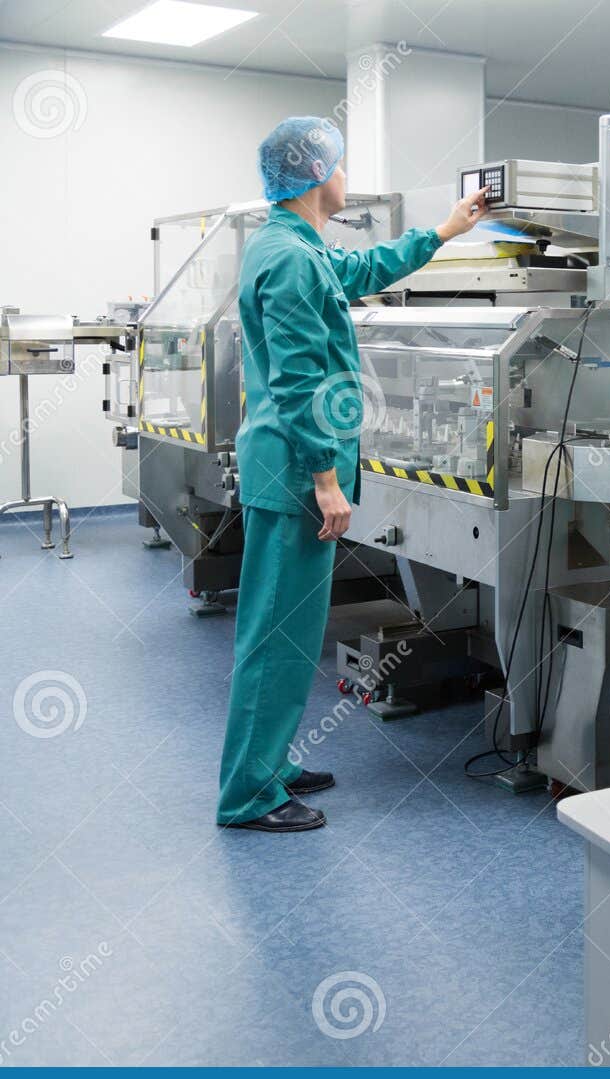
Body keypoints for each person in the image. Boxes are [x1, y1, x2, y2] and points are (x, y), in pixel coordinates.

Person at [216, 116, 489, 832]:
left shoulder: (293, 247)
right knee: (276, 638)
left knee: (289, 633)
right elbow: (304, 377)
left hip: (290, 468)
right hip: (295, 471)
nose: (346, 177)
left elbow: (362, 272)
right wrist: (325, 479)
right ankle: (249, 793)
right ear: (314, 176)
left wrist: (445, 230)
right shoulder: (292, 259)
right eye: (339, 165)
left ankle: (270, 764)